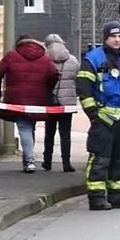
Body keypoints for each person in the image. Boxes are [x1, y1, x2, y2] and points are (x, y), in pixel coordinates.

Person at [76, 21, 120, 210]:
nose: (117, 39)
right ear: (105, 38)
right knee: (100, 159)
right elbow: (84, 89)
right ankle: (96, 198)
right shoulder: (93, 59)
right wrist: (93, 115)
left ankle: (118, 196)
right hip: (103, 120)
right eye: (113, 36)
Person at [0, 34, 58, 173]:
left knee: (24, 128)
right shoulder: (45, 58)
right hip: (39, 98)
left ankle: (29, 160)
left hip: (17, 98)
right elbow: (54, 75)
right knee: (31, 127)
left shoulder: (12, 55)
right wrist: (47, 89)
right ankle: (27, 160)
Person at [42, 34, 78, 172]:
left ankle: (47, 161)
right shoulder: (73, 60)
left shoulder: (44, 60)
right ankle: (66, 163)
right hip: (67, 102)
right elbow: (76, 77)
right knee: (65, 134)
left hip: (50, 101)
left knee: (49, 132)